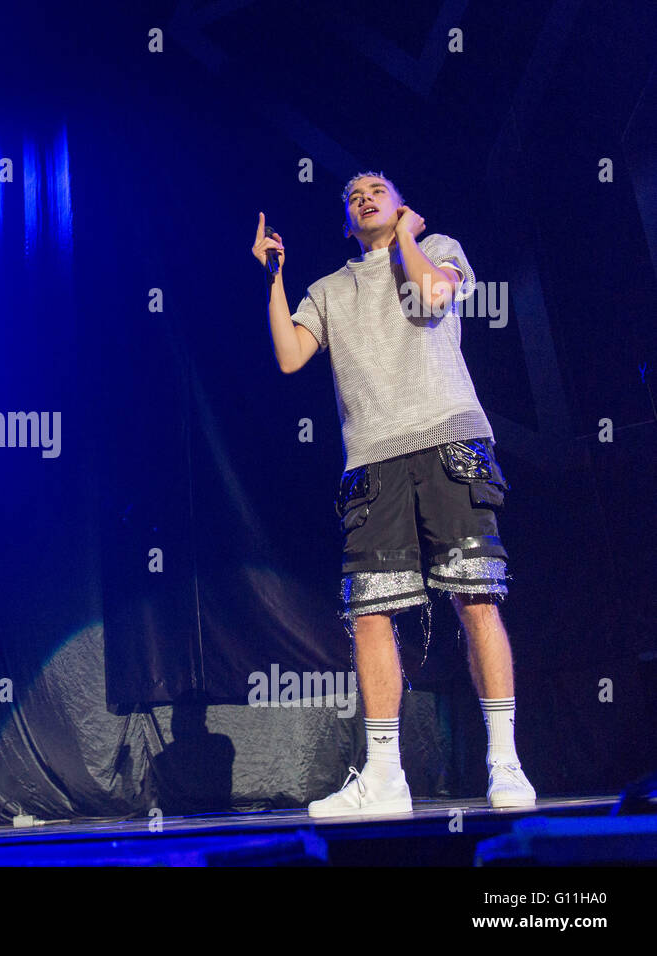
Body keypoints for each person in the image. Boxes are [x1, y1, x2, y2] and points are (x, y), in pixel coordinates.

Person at [252, 172, 536, 816]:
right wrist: (273, 276)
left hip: (450, 445)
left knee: (475, 598)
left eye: (377, 190)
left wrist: (410, 234)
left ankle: (505, 762)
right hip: (373, 462)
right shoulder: (329, 288)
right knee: (371, 613)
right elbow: (291, 357)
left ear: (401, 204)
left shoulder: (439, 250)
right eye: (353, 199)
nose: (363, 198)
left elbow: (432, 298)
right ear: (345, 224)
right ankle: (384, 776)